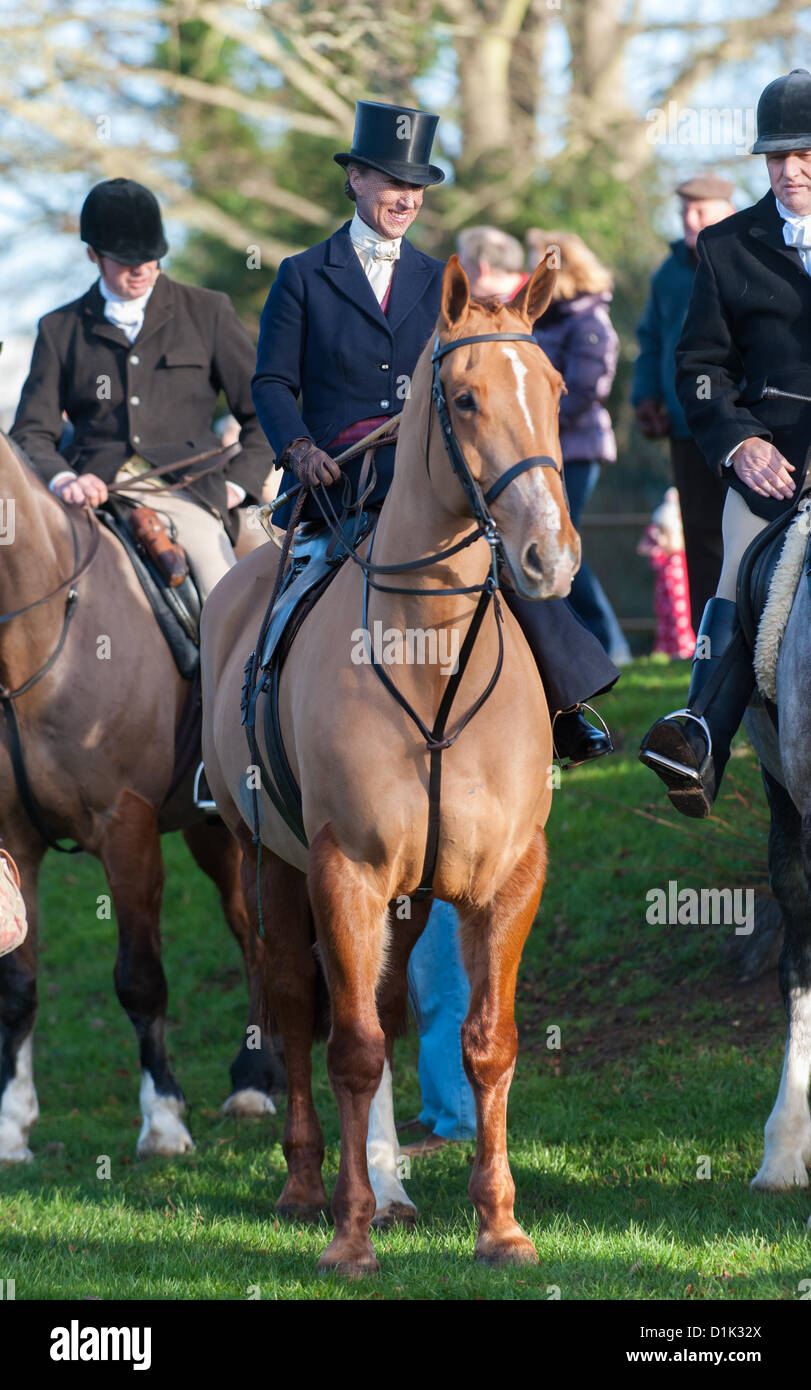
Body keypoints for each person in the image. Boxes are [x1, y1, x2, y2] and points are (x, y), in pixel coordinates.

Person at [252, 100, 620, 768]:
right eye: (392, 182)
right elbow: (270, 384)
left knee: (501, 560)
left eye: (415, 186)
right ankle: (253, 714)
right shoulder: (301, 276)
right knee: (285, 594)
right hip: (339, 478)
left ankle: (566, 703)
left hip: (428, 469)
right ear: (356, 180)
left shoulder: (439, 279)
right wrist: (299, 448)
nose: (405, 197)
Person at [640, 70, 811, 817]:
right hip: (773, 463)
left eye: (804, 154)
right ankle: (700, 738)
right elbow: (699, 367)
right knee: (737, 576)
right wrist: (740, 443)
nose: (789, 170)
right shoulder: (725, 245)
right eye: (776, 156)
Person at [12, 177, 272, 602]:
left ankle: (233, 669)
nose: (140, 269)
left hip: (185, 492)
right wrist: (63, 479)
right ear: (92, 255)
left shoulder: (208, 311)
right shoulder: (60, 328)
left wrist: (238, 484)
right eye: (124, 260)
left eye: (150, 258)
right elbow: (32, 431)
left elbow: (262, 412)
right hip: (91, 493)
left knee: (220, 588)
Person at [631, 175, 736, 630]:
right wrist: (645, 396)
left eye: (702, 211)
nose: (690, 220)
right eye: (684, 212)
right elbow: (651, 339)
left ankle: (755, 634)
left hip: (741, 423)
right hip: (684, 424)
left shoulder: (745, 257)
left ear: (727, 212)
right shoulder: (669, 273)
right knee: (699, 532)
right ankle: (707, 645)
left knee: (744, 528)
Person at [527, 229, 631, 666]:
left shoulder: (588, 319)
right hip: (550, 446)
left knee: (565, 545)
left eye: (537, 261)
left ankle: (607, 643)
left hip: (576, 449)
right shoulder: (550, 318)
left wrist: (535, 423)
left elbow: (586, 388)